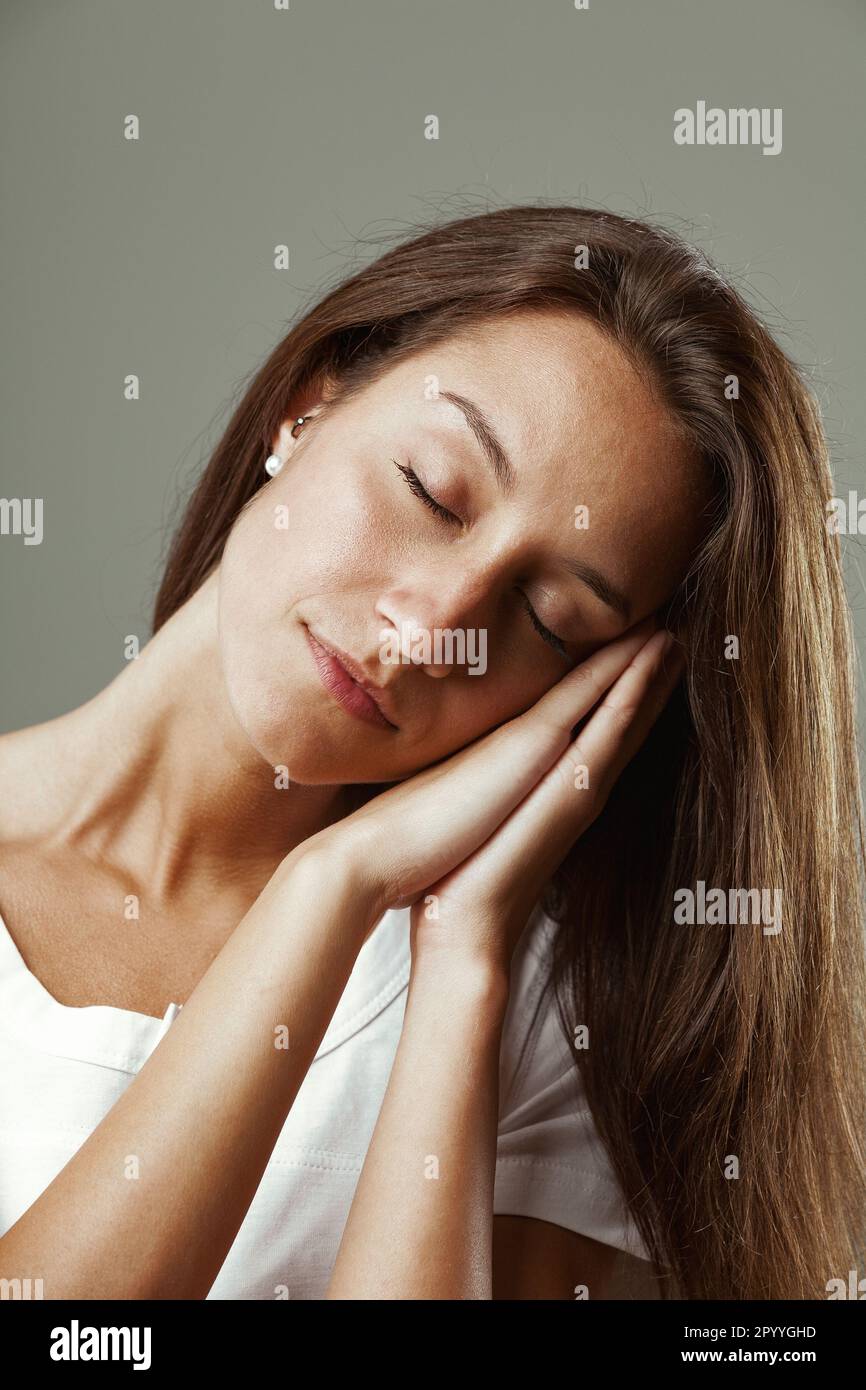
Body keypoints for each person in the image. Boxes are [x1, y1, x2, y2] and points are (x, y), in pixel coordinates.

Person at [0, 204, 863, 1300]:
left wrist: (432, 948)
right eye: (431, 491)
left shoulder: (548, 1026)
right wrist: (331, 886)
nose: (427, 630)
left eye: (548, 619)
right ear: (304, 409)